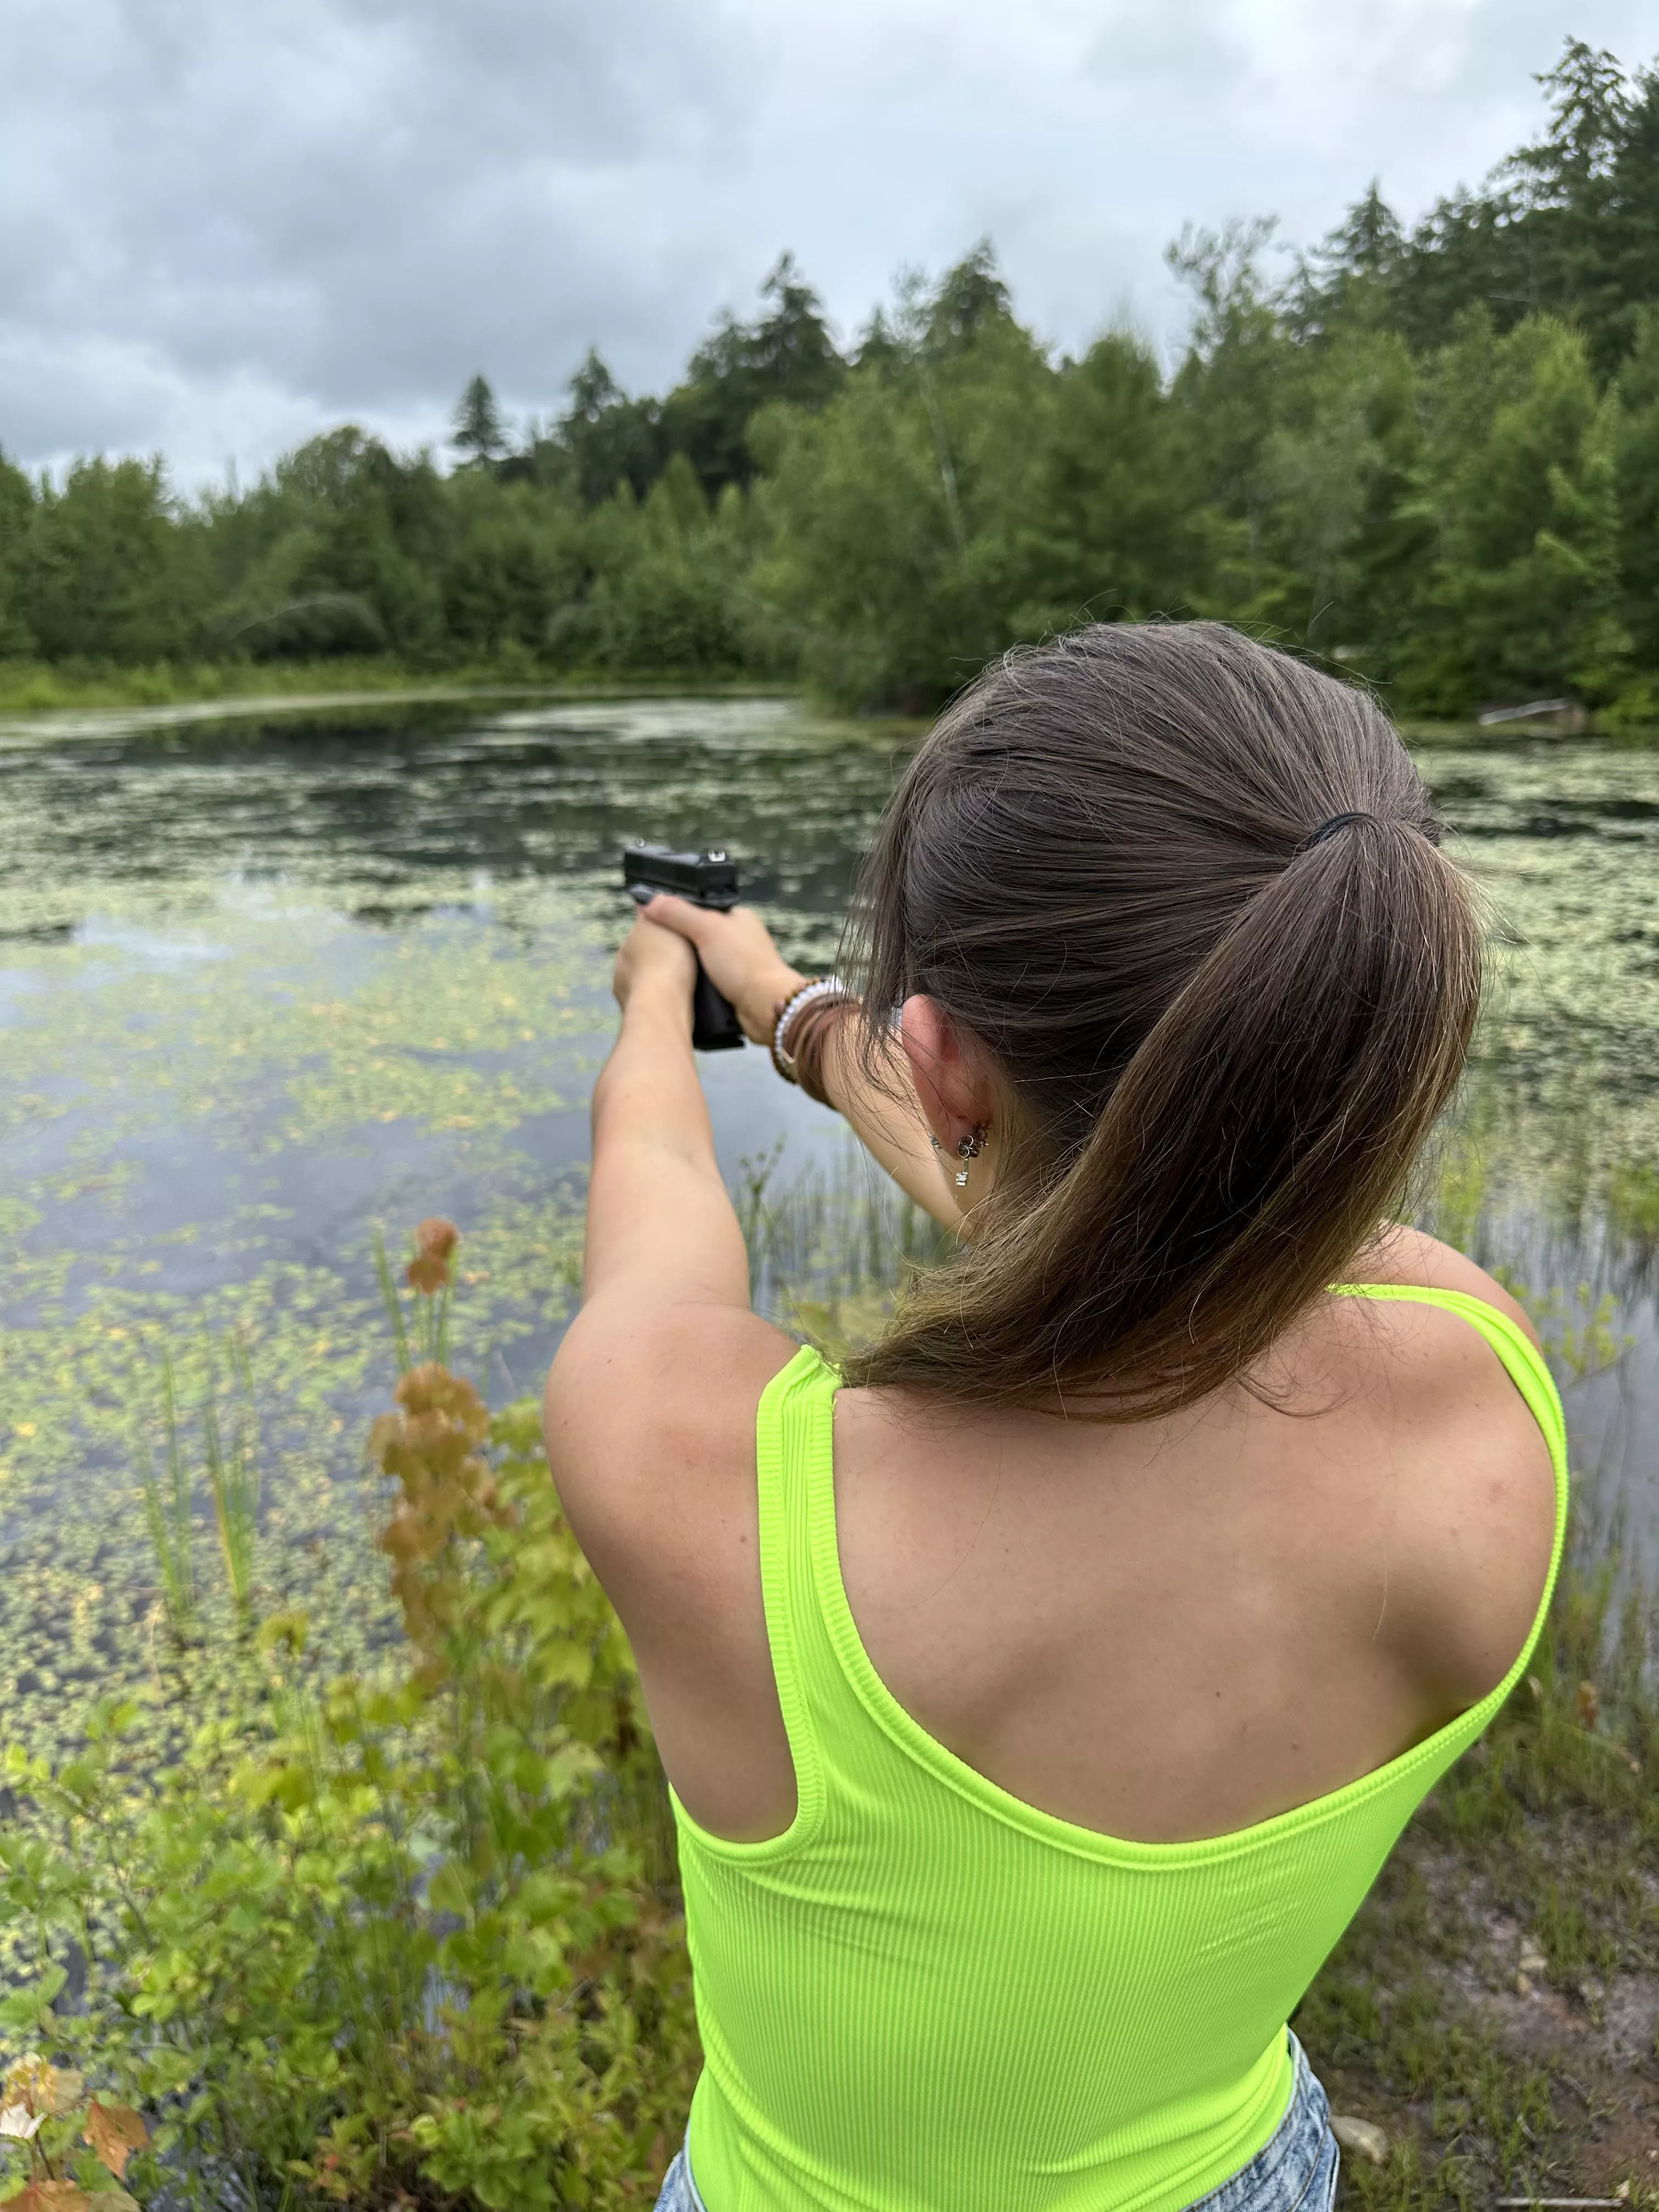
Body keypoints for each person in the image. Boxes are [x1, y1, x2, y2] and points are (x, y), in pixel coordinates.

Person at [543, 622, 1565, 2212]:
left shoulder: (700, 1483)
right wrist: (793, 1002)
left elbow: (654, 1176)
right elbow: (1153, 1218)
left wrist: (659, 990)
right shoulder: (1485, 1395)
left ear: (943, 1063)